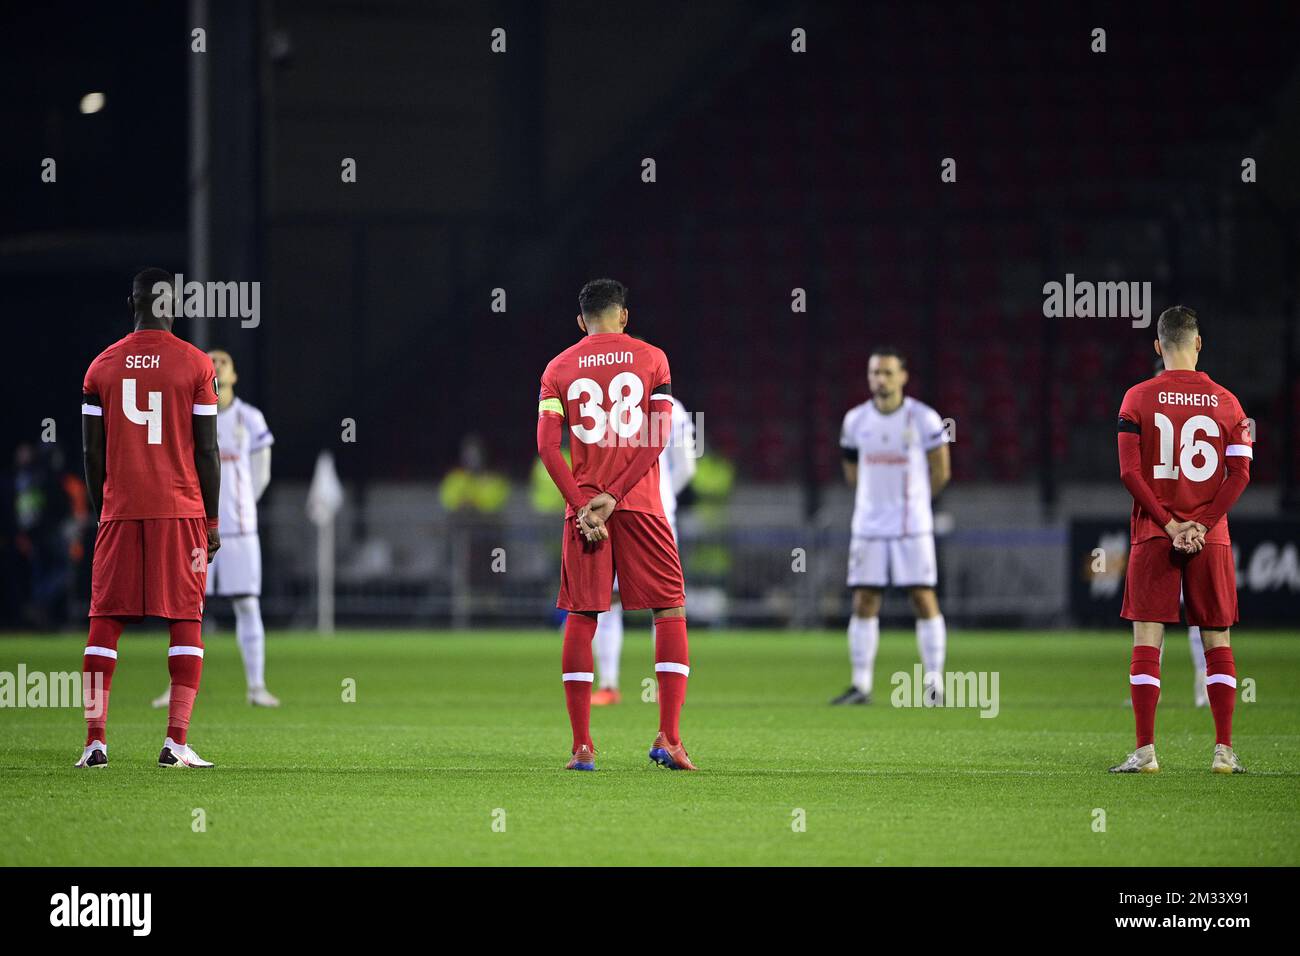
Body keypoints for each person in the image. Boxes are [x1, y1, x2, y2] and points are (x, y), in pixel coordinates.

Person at [536, 278, 695, 770]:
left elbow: (546, 447)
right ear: (624, 316)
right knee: (668, 610)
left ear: (580, 321)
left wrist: (583, 505)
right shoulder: (653, 359)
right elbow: (657, 437)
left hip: (583, 511)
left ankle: (582, 747)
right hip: (641, 504)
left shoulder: (557, 368)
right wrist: (617, 495)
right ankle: (668, 737)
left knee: (583, 617)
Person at [77, 268, 221, 769]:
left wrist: (105, 512)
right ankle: (175, 743)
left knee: (104, 625)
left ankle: (95, 744)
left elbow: (91, 455)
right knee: (186, 621)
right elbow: (207, 450)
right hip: (181, 510)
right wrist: (213, 522)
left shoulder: (101, 367)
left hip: (121, 510)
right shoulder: (197, 365)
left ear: (132, 302)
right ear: (173, 304)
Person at [1110, 306, 1252, 774]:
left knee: (1147, 639)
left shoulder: (1136, 398)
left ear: (1157, 346)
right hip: (1210, 540)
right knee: (1217, 639)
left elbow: (1130, 473)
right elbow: (1240, 474)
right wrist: (1204, 525)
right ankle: (1224, 752)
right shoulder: (1229, 403)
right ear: (1198, 343)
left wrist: (1169, 525)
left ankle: (1146, 751)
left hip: (1154, 533)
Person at [152, 349, 278, 708]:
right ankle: (175, 689)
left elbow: (262, 471)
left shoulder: (250, 418)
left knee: (247, 604)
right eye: (212, 361)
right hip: (197, 529)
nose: (218, 365)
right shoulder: (189, 416)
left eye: (224, 361)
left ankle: (256, 687)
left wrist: (241, 507)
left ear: (234, 375)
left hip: (239, 532)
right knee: (186, 610)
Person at [833, 347, 951, 706]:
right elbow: (851, 470)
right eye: (874, 373)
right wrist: (873, 501)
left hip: (911, 526)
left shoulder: (924, 419)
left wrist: (915, 505)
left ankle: (934, 685)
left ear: (903, 376)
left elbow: (941, 470)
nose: (879, 379)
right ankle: (861, 685)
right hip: (868, 525)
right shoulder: (855, 420)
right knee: (864, 599)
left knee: (922, 596)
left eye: (886, 372)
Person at [592, 394, 695, 705]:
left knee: (607, 601)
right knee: (665, 603)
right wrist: (663, 497)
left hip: (611, 512)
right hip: (658, 514)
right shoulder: (671, 407)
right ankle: (665, 689)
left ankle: (609, 685)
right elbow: (686, 468)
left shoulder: (601, 400)